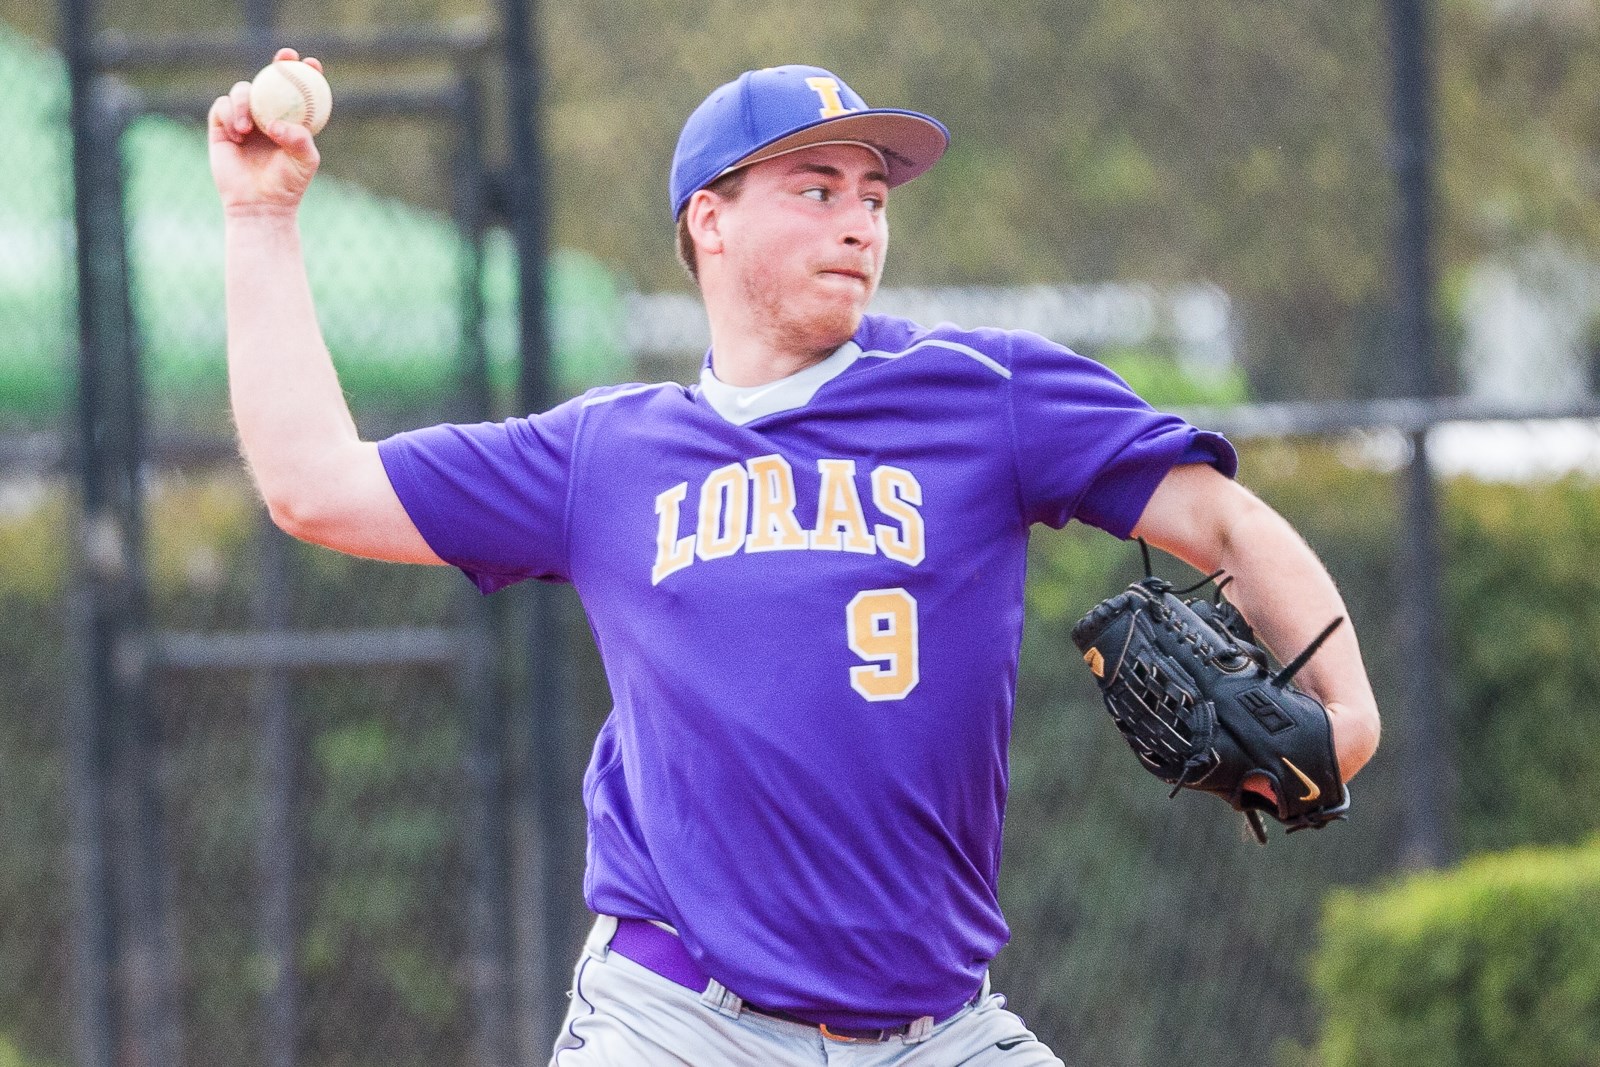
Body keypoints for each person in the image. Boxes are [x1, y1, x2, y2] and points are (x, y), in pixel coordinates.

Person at [210, 54, 1381, 1067]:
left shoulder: (983, 395)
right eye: (814, 188)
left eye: (872, 193)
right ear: (707, 221)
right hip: (675, 1019)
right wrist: (262, 220)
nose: (858, 219)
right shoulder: (604, 457)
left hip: (940, 1025)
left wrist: (1348, 711)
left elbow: (1224, 522)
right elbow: (314, 483)